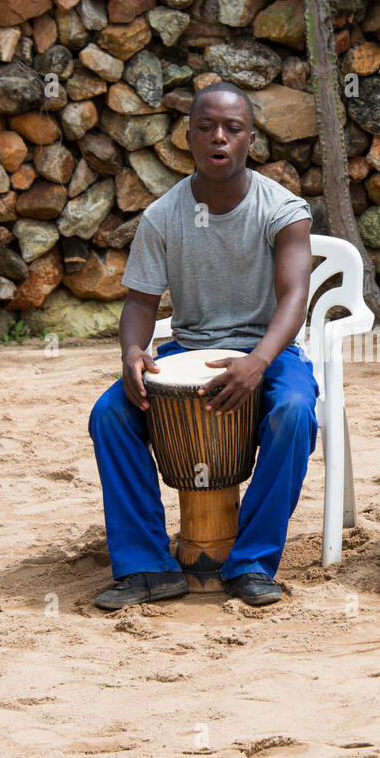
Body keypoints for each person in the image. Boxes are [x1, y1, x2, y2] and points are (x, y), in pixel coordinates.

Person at [88, 82, 318, 609]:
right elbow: (141, 304)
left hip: (270, 350)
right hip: (186, 349)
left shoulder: (283, 209)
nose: (219, 137)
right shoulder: (162, 216)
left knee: (294, 411)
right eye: (206, 127)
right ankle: (147, 567)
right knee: (109, 414)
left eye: (232, 129)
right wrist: (132, 354)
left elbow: (293, 298)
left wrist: (258, 363)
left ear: (250, 140)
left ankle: (253, 563)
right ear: (188, 138)